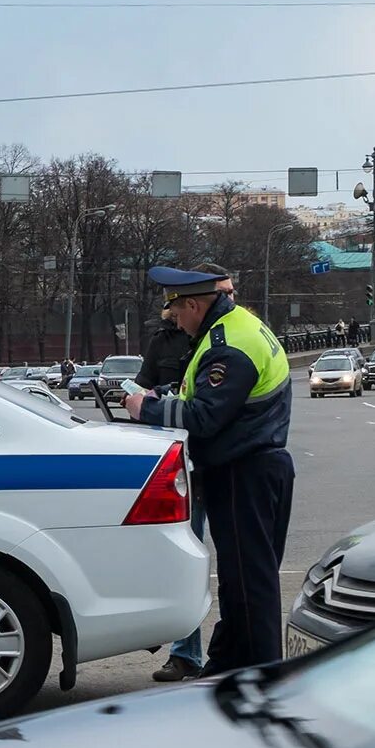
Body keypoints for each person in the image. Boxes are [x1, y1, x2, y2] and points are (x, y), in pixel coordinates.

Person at [124, 266, 294, 676]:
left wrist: (143, 408)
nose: (175, 321)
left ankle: (261, 673)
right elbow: (198, 393)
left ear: (195, 305)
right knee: (240, 578)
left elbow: (205, 416)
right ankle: (228, 661)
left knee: (251, 581)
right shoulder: (232, 328)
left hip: (244, 471)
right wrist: (162, 394)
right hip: (251, 468)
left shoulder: (227, 344)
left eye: (177, 312)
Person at [135, 303, 201, 680]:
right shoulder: (162, 341)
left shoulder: (216, 339)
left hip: (215, 460)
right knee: (185, 560)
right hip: (177, 464)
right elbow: (145, 388)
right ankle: (185, 654)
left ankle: (240, 652)